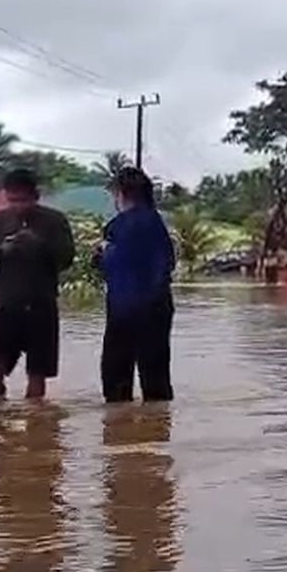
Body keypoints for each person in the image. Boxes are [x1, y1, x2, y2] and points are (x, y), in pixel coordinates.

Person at [0, 169, 75, 400]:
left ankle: (36, 429)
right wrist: (3, 250)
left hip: (42, 305)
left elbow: (66, 259)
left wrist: (39, 244)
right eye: (12, 200)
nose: (18, 206)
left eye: (23, 200)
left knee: (37, 374)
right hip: (6, 306)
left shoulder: (55, 221)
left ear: (35, 196)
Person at [97, 166, 175, 403]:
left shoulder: (117, 226)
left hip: (124, 309)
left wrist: (101, 257)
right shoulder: (156, 222)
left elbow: (116, 265)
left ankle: (119, 432)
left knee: (116, 377)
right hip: (157, 307)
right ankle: (159, 432)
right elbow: (166, 263)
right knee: (156, 377)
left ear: (120, 194)